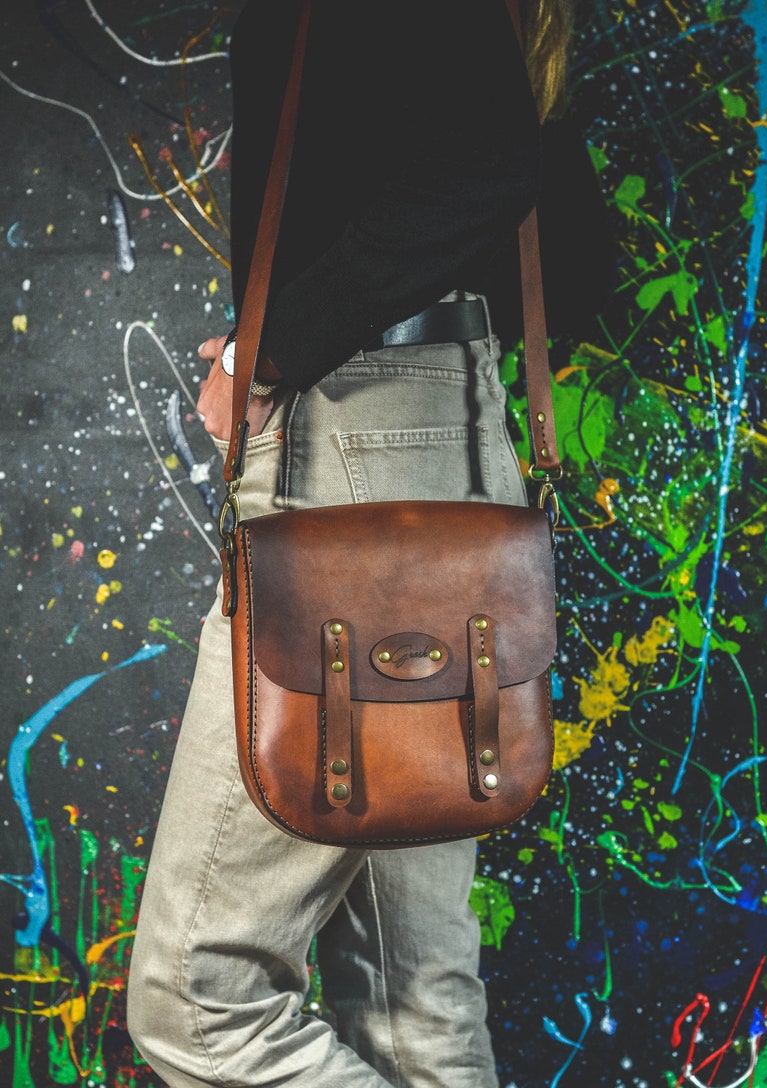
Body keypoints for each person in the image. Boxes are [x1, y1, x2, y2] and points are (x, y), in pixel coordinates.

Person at [127, 2, 572, 1085]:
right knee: (416, 1002)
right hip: (446, 437)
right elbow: (565, 235)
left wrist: (270, 348)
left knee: (199, 1002)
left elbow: (484, 164)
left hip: (354, 433)